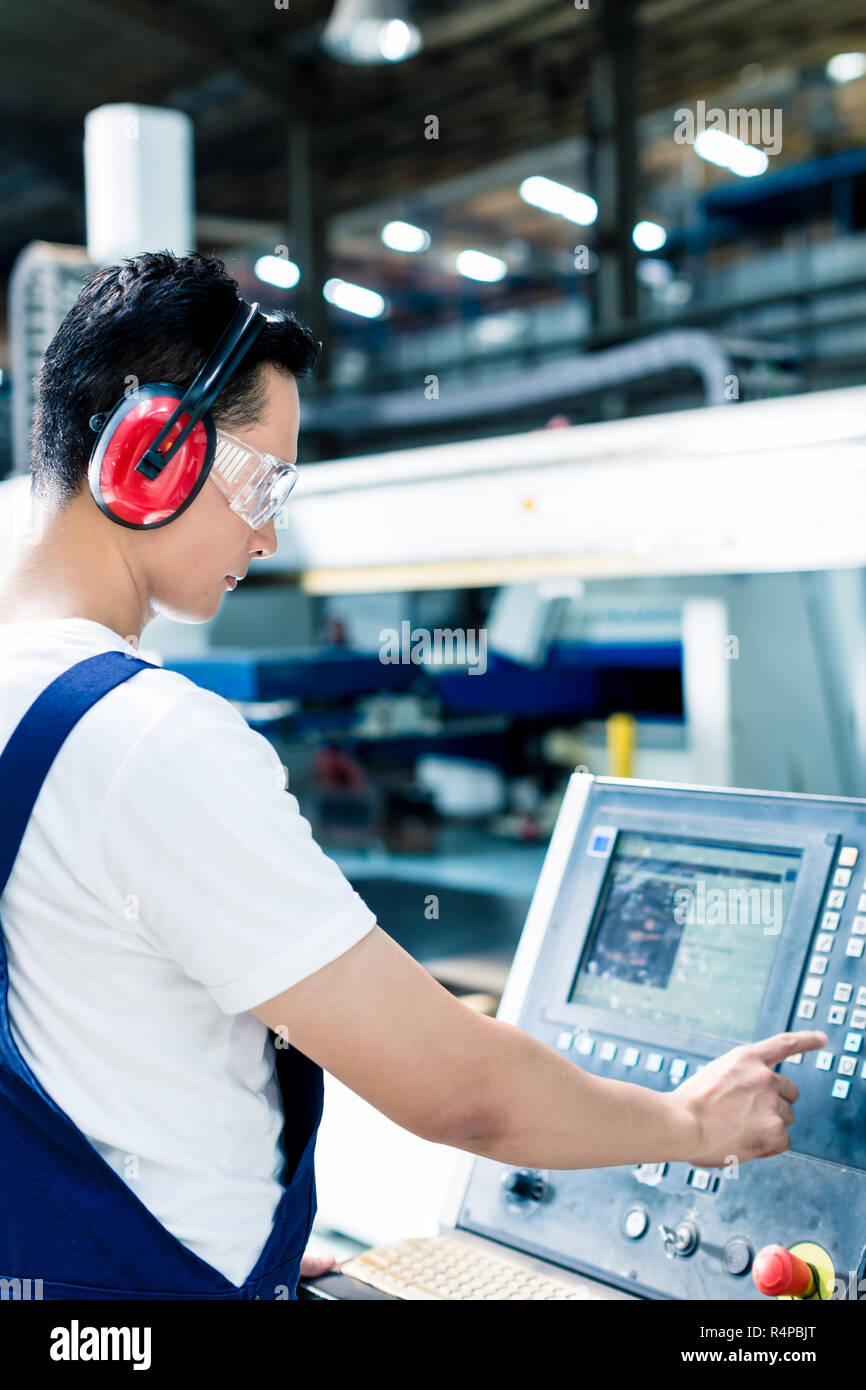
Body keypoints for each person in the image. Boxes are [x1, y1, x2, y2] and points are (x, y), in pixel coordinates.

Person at [0, 251, 827, 1300]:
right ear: (145, 458)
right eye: (262, 481)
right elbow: (459, 1091)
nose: (265, 530)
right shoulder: (147, 738)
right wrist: (689, 1122)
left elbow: (65, 1037)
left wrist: (218, 1229)